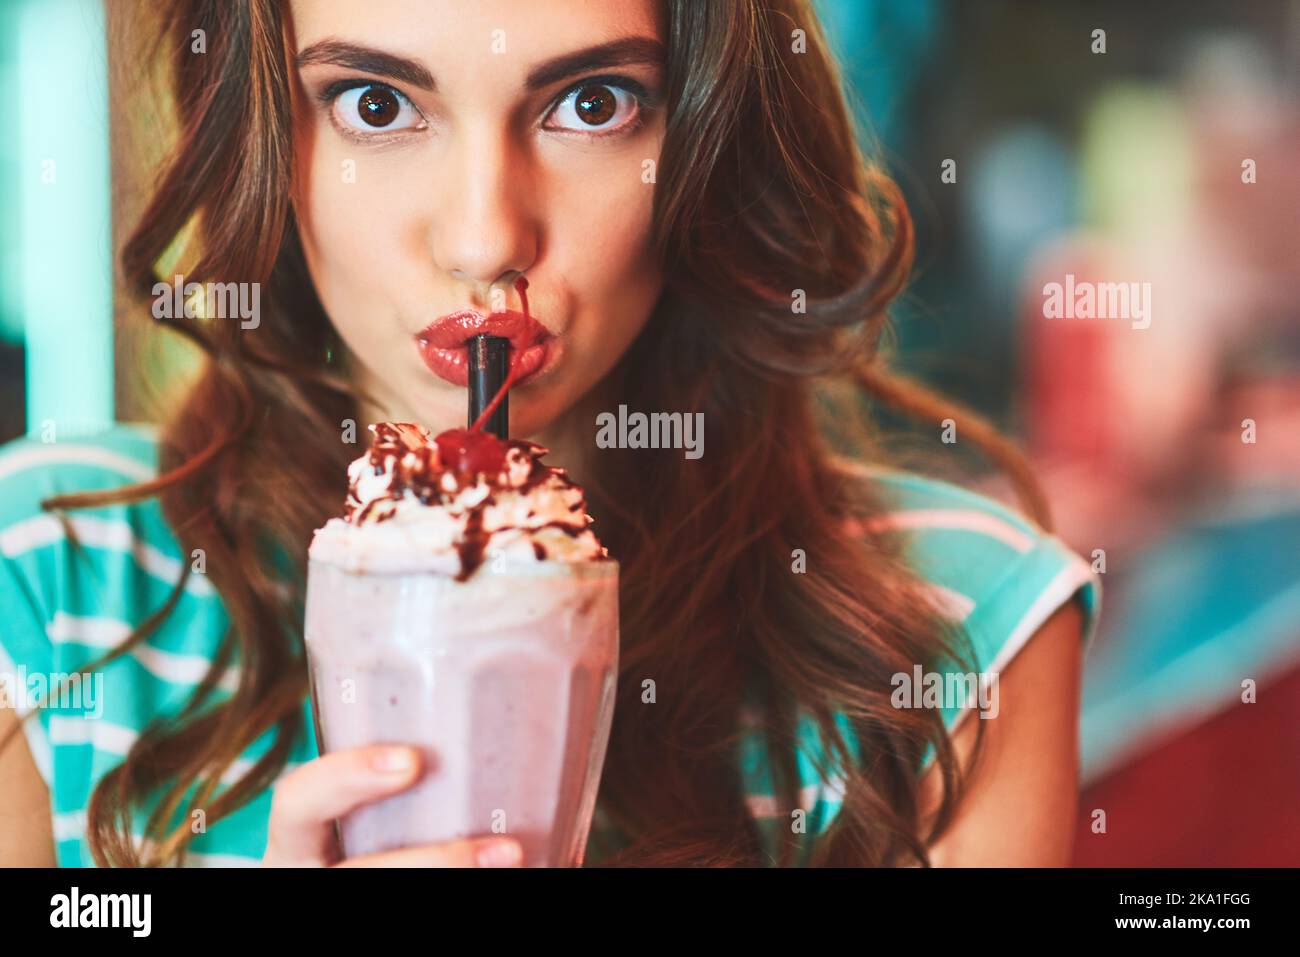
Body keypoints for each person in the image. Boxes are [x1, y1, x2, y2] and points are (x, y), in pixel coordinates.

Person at [0, 0, 1098, 868]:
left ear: (710, 130)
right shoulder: (50, 584)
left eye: (593, 103)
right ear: (259, 131)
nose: (485, 238)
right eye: (375, 106)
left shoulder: (949, 638)